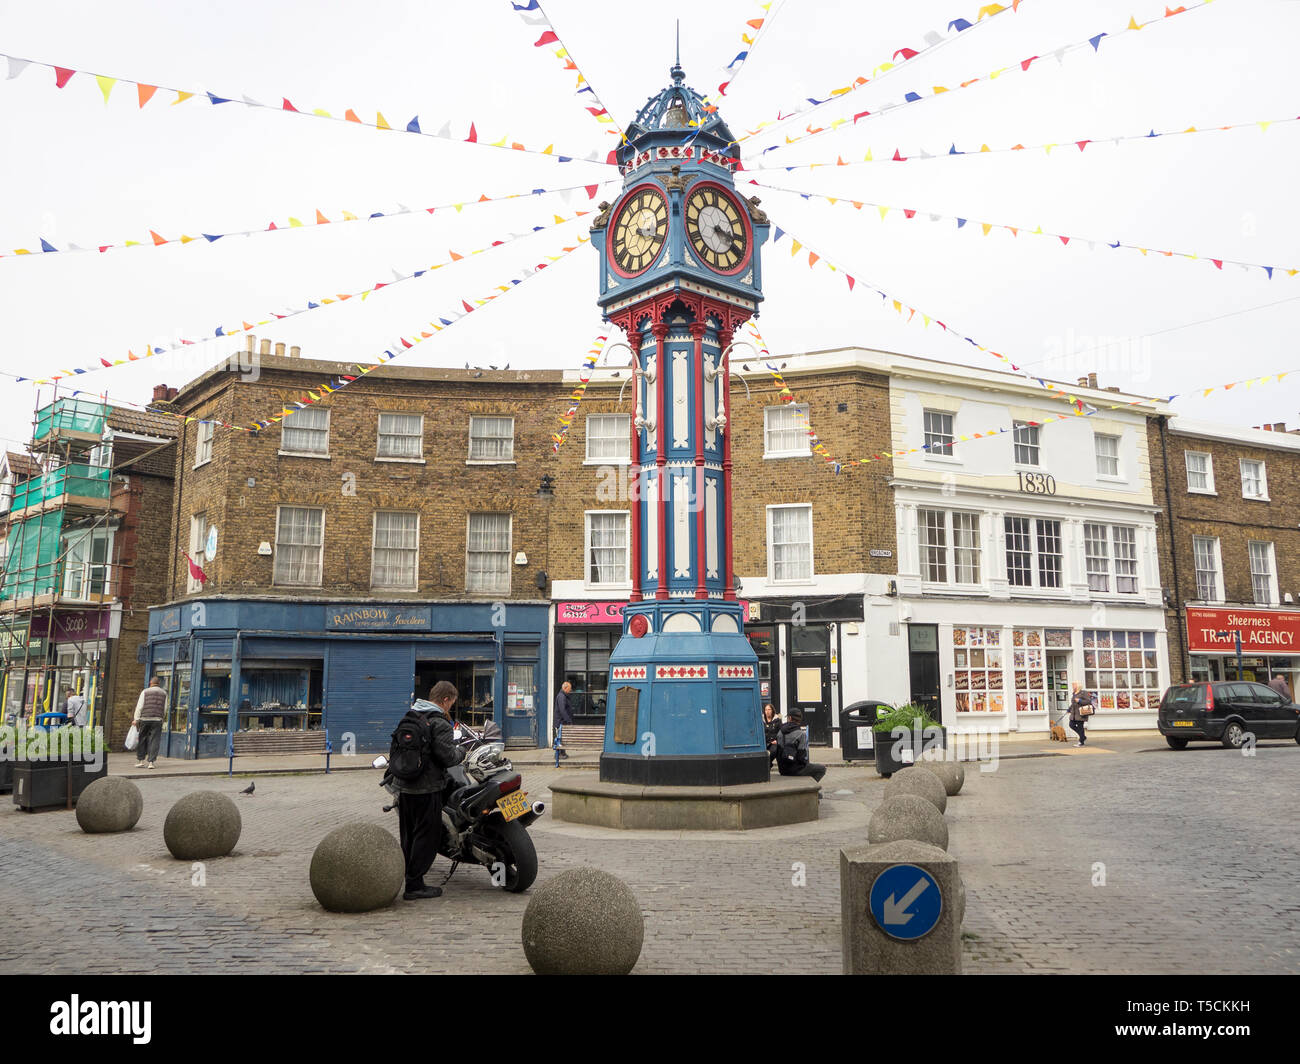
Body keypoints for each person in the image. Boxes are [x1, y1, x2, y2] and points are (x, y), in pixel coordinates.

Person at [391, 681, 465, 901]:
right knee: (426, 836)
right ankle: (415, 886)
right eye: (451, 702)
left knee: (409, 835)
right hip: (427, 788)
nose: (451, 707)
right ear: (445, 699)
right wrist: (462, 750)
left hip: (405, 786)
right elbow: (449, 758)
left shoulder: (411, 716)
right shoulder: (439, 723)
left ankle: (410, 878)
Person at [774, 710, 826, 782]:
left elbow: (777, 752)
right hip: (796, 770)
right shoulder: (801, 734)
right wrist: (806, 764)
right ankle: (810, 788)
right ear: (799, 720)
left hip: (782, 770)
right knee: (822, 769)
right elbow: (801, 757)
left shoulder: (780, 732)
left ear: (790, 718)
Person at [132, 675, 167, 768]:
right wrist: (162, 718)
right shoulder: (164, 693)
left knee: (142, 739)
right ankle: (151, 762)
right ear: (158, 684)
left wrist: (136, 719)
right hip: (157, 720)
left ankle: (141, 760)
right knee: (154, 740)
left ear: (150, 683)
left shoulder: (145, 692)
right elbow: (165, 708)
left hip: (145, 719)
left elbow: (140, 706)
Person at [1067, 682, 1095, 746]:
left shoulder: (1083, 693)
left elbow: (1088, 701)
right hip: (1074, 714)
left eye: (1074, 685)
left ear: (1078, 685)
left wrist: (1080, 701)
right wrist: (1069, 709)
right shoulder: (1074, 693)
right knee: (1071, 725)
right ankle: (1083, 737)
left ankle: (1081, 742)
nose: (1072, 686)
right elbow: (1073, 704)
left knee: (1080, 727)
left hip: (1081, 713)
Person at [553, 680, 573, 764]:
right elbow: (562, 710)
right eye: (569, 688)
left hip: (561, 721)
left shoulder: (563, 696)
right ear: (565, 688)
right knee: (560, 737)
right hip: (560, 721)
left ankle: (562, 752)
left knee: (562, 738)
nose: (570, 690)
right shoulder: (561, 696)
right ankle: (559, 754)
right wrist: (568, 720)